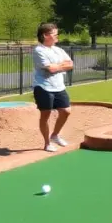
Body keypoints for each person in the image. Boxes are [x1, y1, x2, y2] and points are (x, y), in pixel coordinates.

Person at [32, 23, 74, 152]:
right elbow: (50, 69)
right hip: (43, 87)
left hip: (59, 86)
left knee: (66, 111)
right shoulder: (39, 50)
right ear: (45, 35)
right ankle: (47, 143)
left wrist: (57, 66)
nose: (57, 36)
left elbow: (70, 64)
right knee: (46, 114)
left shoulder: (58, 50)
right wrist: (60, 66)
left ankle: (55, 135)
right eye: (55, 34)